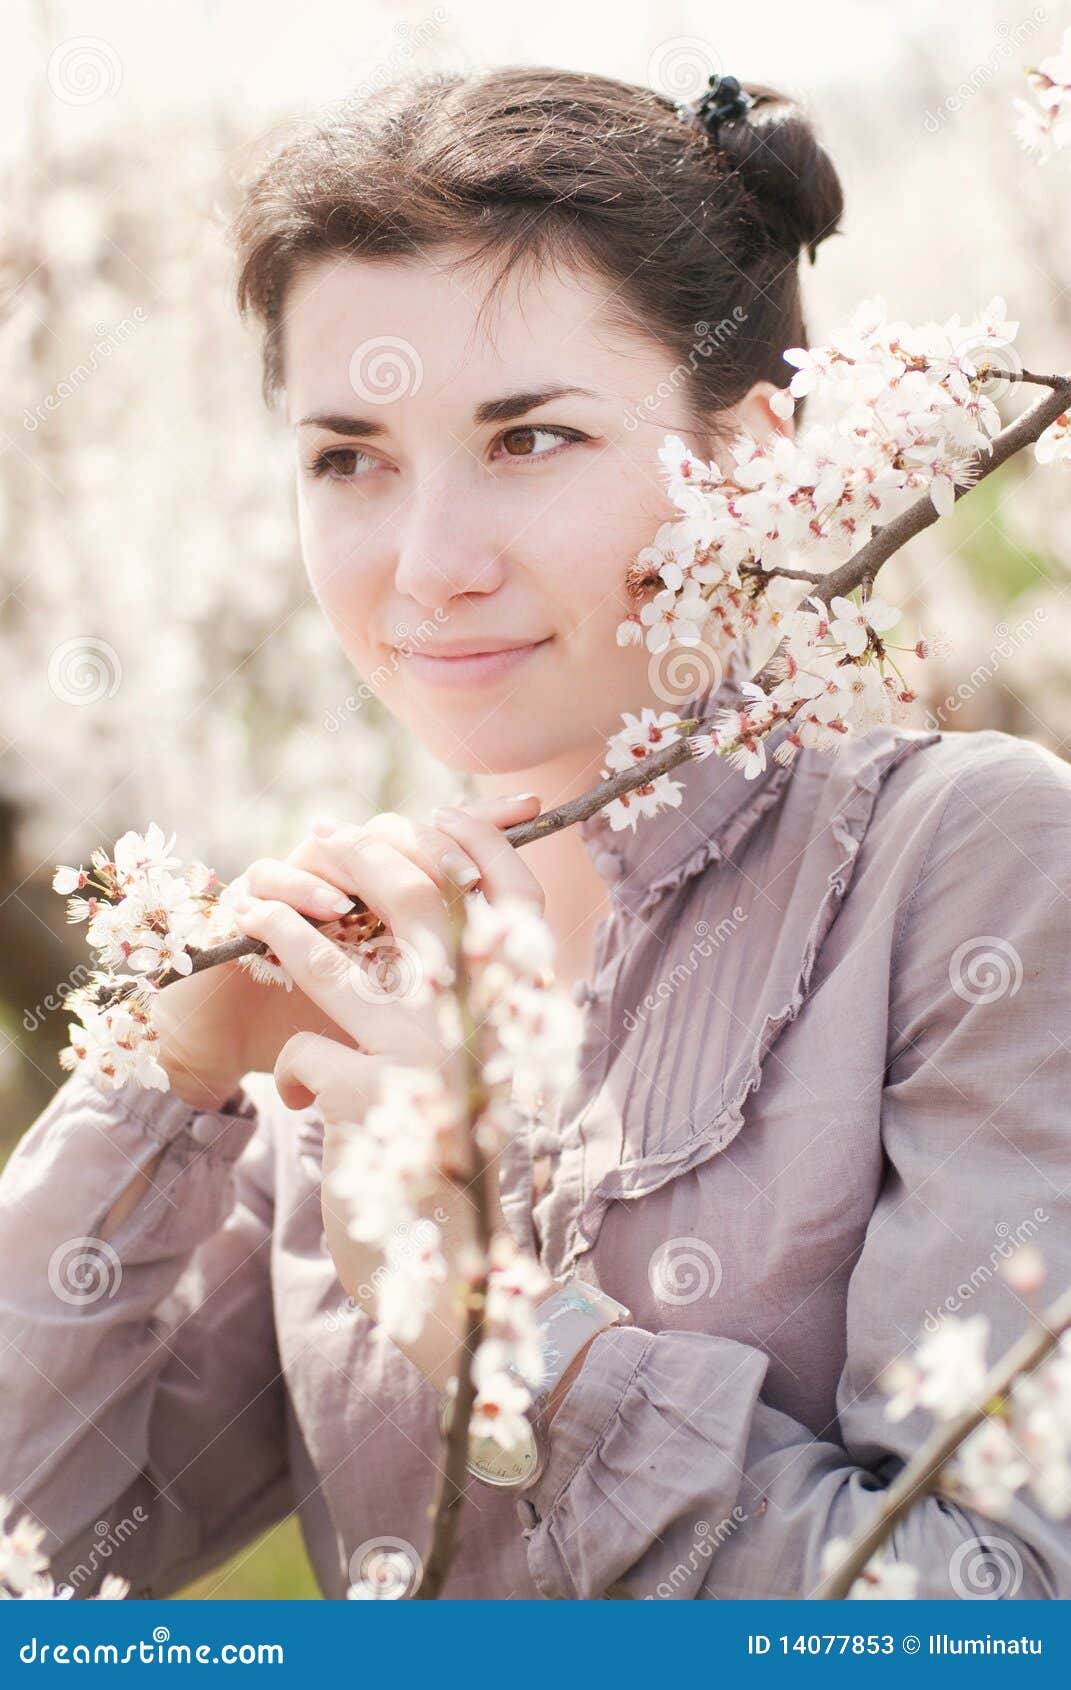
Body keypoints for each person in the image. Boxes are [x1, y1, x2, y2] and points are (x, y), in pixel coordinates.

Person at [2, 65, 1069, 1602]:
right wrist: (158, 1090)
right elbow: (37, 1569)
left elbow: (995, 1613)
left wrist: (504, 1330)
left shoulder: (966, 865)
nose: (428, 567)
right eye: (347, 456)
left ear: (762, 454)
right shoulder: (361, 979)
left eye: (531, 440)